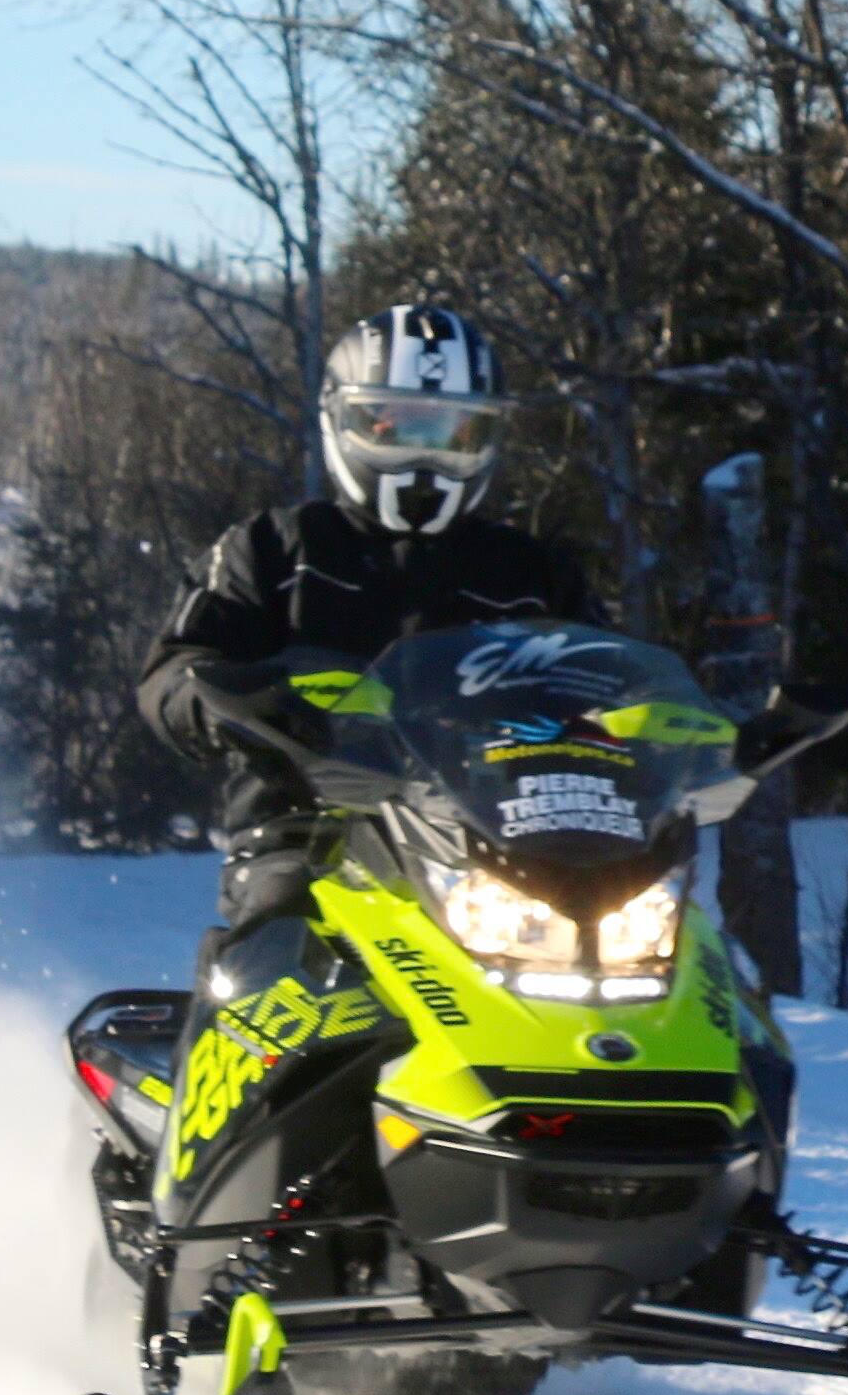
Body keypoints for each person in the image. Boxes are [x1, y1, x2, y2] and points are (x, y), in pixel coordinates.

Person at [140, 305, 600, 935]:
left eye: (452, 432)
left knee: (662, 954)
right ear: (343, 420)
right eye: (396, 425)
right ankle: (224, 1029)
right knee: (276, 950)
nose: (425, 454)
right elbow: (176, 664)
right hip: (309, 837)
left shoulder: (533, 574)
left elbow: (614, 680)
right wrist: (234, 702)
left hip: (508, 852)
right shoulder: (272, 550)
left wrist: (705, 736)